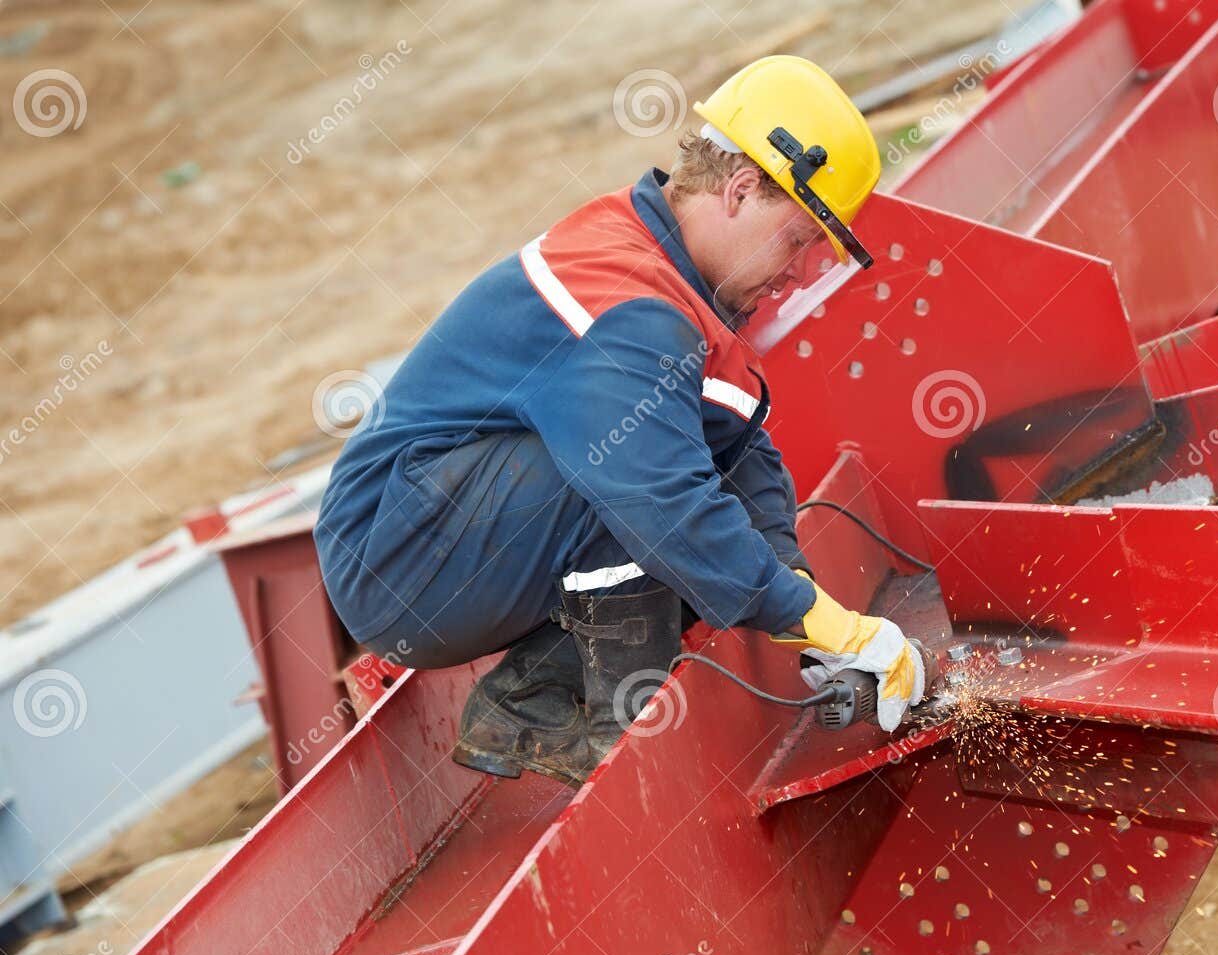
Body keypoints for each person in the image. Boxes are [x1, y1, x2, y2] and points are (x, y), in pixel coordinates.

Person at [313, 56, 925, 787]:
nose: (799, 272)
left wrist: (803, 599)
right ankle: (611, 735)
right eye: (797, 240)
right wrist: (832, 624)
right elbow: (666, 502)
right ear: (738, 190)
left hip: (447, 528)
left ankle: (528, 700)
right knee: (642, 486)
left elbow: (738, 445)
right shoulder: (631, 301)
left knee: (663, 473)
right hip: (397, 557)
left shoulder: (676, 273)